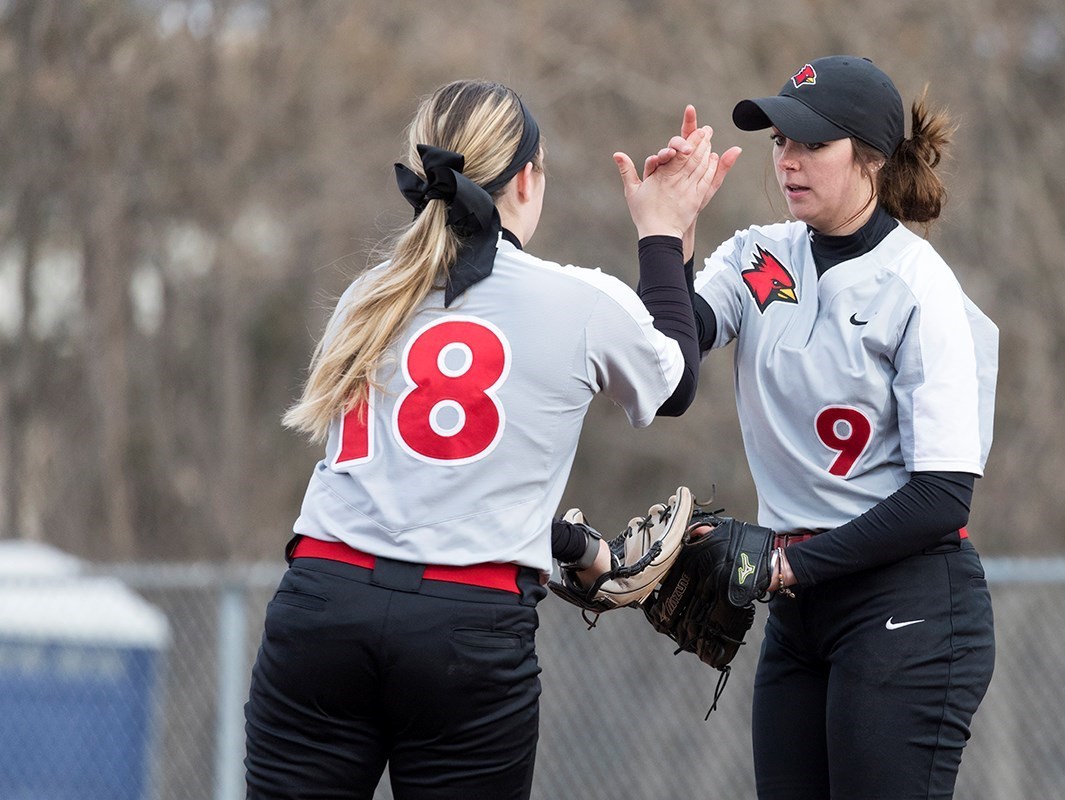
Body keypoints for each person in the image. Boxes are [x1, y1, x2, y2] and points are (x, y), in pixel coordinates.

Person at [242, 79, 735, 800]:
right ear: (528, 179)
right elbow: (676, 382)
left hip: (322, 605)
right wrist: (664, 231)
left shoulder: (368, 297)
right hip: (464, 628)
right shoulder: (577, 301)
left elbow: (413, 495)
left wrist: (571, 545)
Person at [655, 55, 999, 798]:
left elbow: (943, 496)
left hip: (906, 600)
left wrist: (786, 566)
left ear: (872, 157)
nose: (788, 159)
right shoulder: (760, 257)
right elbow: (668, 372)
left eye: (814, 143)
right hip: (802, 610)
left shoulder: (918, 285)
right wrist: (666, 236)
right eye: (781, 141)